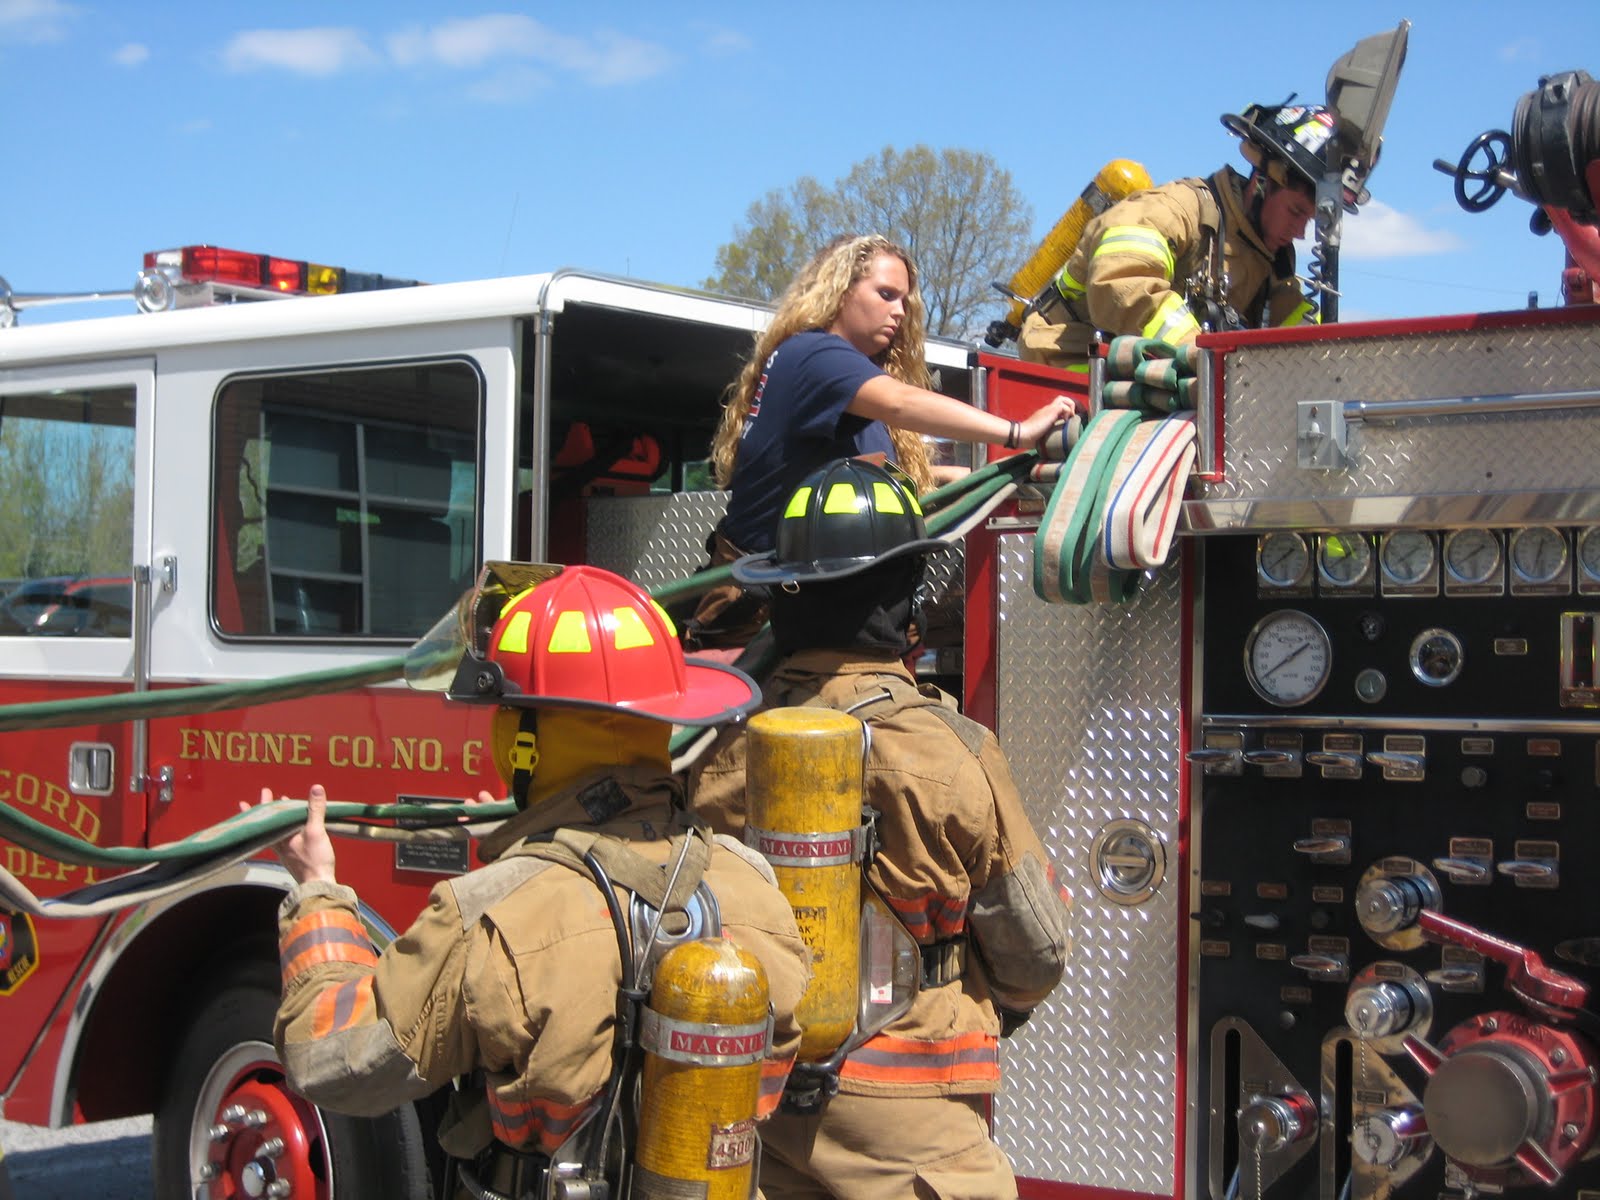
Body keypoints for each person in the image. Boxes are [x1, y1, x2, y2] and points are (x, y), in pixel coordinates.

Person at [262, 564, 812, 1197]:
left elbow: (329, 1055)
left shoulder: (491, 916)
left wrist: (317, 893)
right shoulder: (755, 884)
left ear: (524, 741)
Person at [689, 458, 1074, 1199]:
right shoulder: (952, 750)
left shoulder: (714, 740)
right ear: (906, 601)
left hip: (747, 1102)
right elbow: (1036, 951)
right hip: (909, 1128)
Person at [685, 233, 1076, 651]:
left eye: (905, 301)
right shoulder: (817, 354)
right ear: (840, 291)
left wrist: (957, 477)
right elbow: (901, 402)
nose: (900, 312)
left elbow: (857, 469)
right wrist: (1017, 432)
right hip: (761, 605)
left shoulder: (836, 376)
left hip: (813, 599)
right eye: (886, 294)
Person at [1018, 101, 1356, 372]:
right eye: (1296, 212)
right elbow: (1121, 283)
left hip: (1132, 373)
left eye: (1309, 219)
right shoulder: (1177, 208)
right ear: (1263, 183)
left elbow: (1293, 332)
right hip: (1065, 362)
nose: (1299, 232)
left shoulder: (1268, 257)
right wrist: (1207, 359)